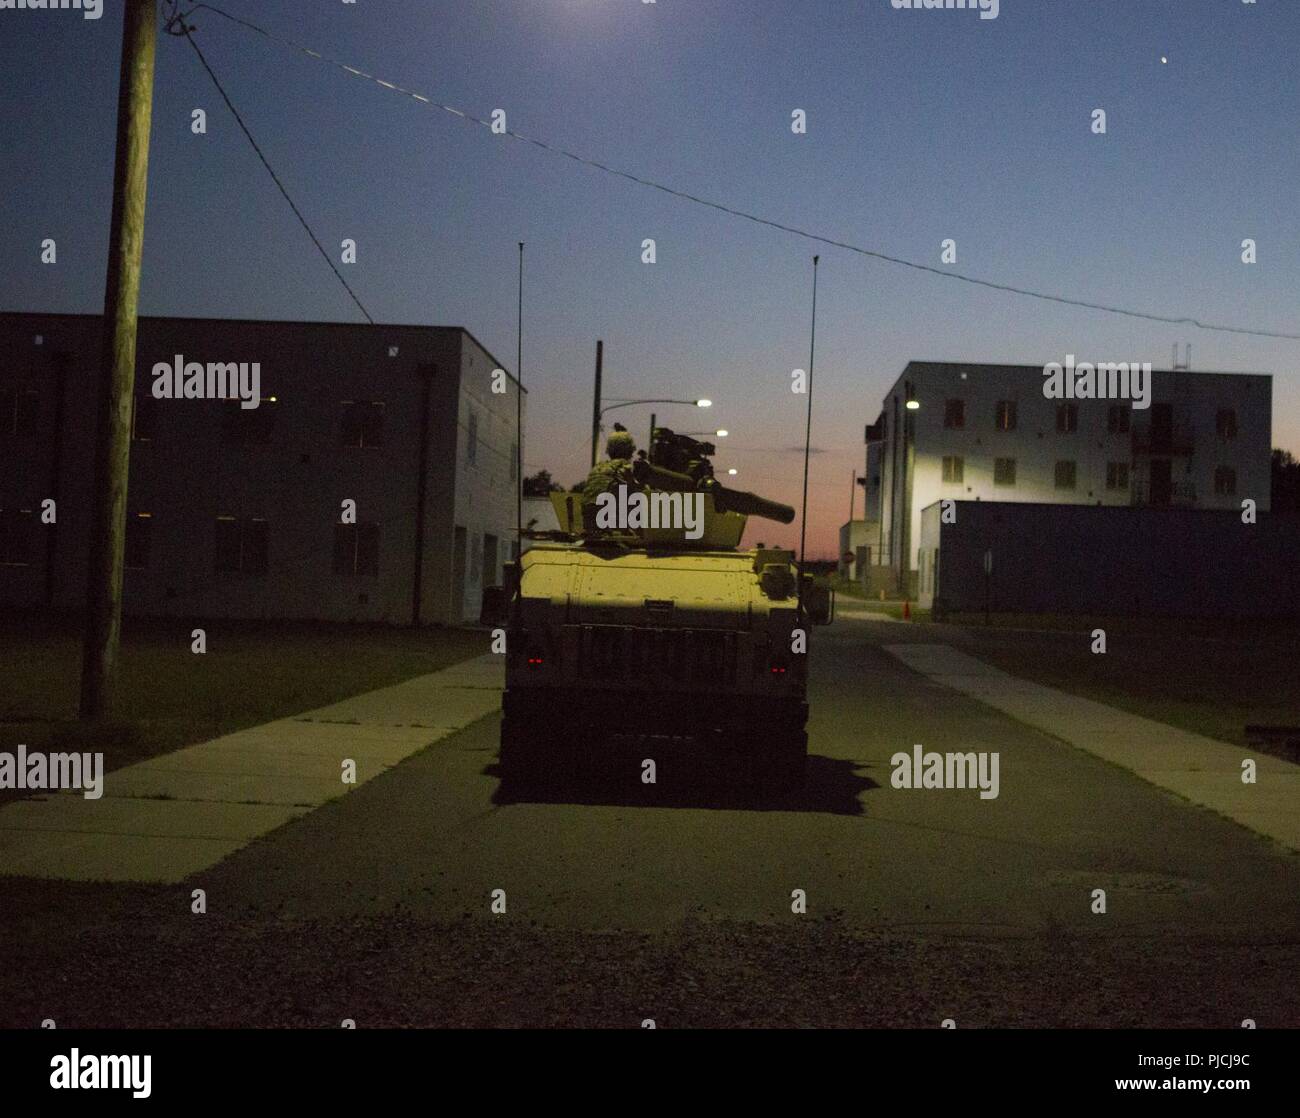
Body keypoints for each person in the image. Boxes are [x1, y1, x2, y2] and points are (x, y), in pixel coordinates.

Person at [582, 425, 642, 534]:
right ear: (630, 451)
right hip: (613, 526)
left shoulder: (597, 468)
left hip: (590, 524)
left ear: (609, 451)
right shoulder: (626, 468)